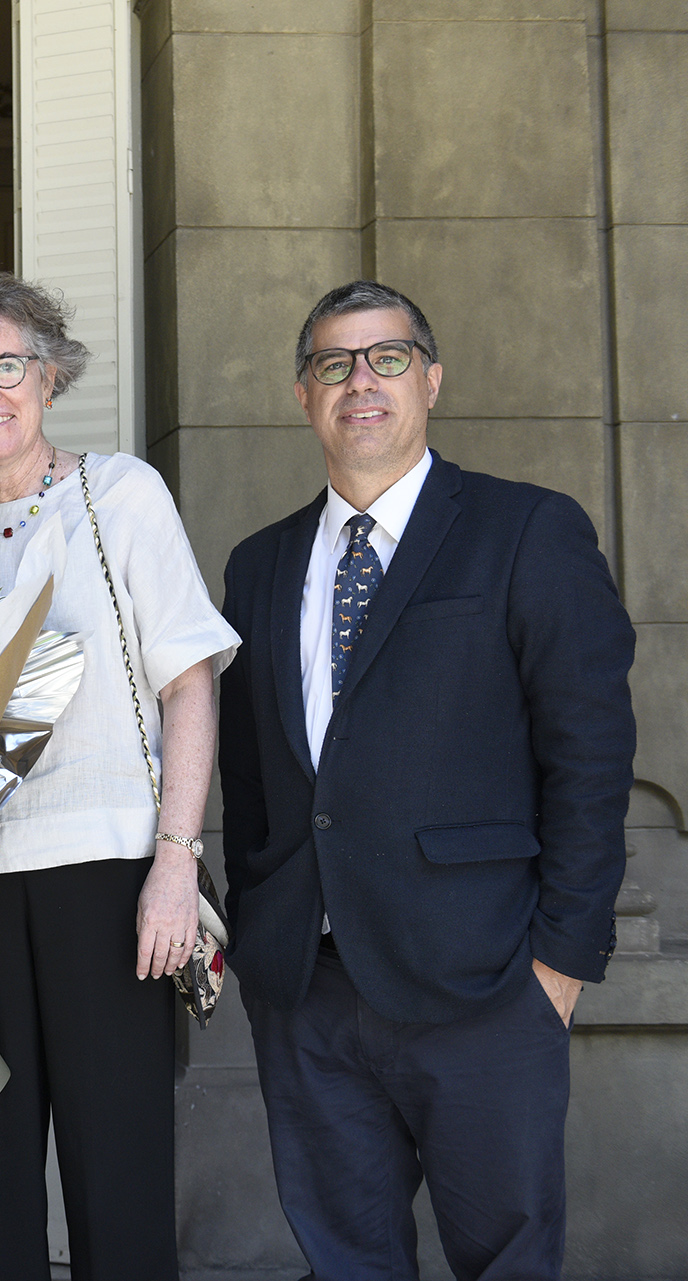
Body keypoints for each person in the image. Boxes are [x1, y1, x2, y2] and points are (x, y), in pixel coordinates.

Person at [218, 280, 636, 1279]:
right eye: (334, 363)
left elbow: (590, 755)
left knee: (506, 1260)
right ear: (302, 393)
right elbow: (252, 773)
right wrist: (265, 925)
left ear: (432, 380)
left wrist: (559, 968)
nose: (360, 381)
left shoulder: (526, 531)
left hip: (486, 983)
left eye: (388, 358)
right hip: (310, 991)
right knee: (347, 1261)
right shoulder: (260, 566)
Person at [0, 263, 239, 1281]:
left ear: (51, 375)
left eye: (7, 366)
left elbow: (190, 685)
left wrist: (174, 861)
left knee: (116, 1173)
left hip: (108, 881)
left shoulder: (122, 495)